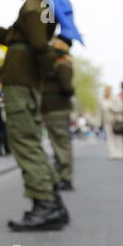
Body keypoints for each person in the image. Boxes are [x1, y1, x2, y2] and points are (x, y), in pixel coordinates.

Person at [0, 0, 64, 229]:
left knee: (25, 142)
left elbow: (39, 41)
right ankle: (51, 202)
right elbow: (7, 37)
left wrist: (45, 73)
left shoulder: (38, 4)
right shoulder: (41, 5)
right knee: (31, 141)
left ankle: (45, 206)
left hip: (21, 82)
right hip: (25, 81)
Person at [41, 35, 75, 190]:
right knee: (57, 143)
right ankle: (60, 175)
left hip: (57, 108)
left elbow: (67, 88)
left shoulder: (62, 63)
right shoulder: (57, 62)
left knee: (61, 143)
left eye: (55, 41)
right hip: (51, 108)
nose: (52, 43)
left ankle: (65, 177)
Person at [100, 85, 123, 159]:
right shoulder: (102, 99)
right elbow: (100, 112)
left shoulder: (116, 98)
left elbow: (121, 108)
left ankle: (120, 152)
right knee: (109, 138)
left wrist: (112, 108)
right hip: (107, 121)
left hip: (116, 120)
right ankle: (112, 153)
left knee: (118, 137)